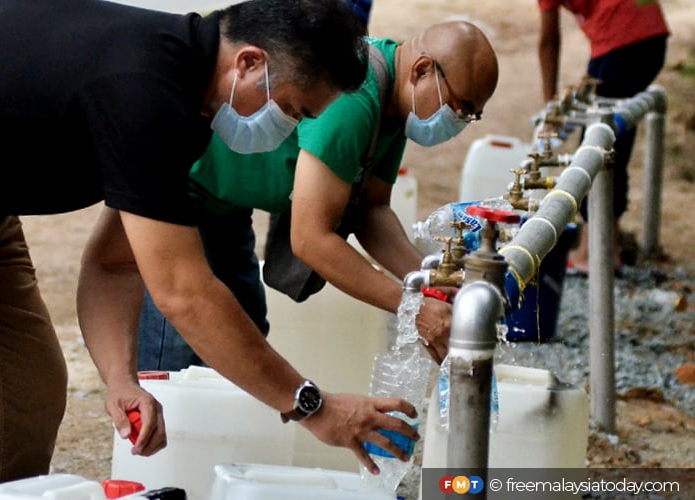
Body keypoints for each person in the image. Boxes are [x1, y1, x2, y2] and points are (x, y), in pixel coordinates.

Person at [0, 0, 387, 497]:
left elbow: (115, 261)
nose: (287, 128)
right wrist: (313, 407)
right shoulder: (142, 87)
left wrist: (121, 379)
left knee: (29, 395)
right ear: (249, 62)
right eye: (291, 109)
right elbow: (185, 295)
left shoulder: (188, 101)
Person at [135, 21, 499, 378]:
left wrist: (430, 278)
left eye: (471, 116)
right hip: (180, 192)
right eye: (459, 108)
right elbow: (311, 240)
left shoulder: (394, 105)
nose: (459, 123)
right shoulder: (355, 101)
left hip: (225, 205)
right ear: (422, 70)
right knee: (182, 356)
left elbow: (371, 210)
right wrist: (412, 306)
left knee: (243, 344)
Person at [537, 0, 669, 274]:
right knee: (615, 137)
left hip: (620, 41)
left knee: (596, 145)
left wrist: (550, 108)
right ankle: (606, 244)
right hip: (651, 37)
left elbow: (549, 40)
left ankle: (595, 253)